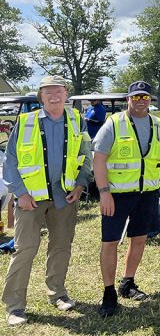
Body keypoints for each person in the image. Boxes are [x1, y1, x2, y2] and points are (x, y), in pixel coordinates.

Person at [2, 75, 92, 326]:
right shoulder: (25, 122)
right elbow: (10, 161)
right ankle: (15, 306)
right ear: (40, 96)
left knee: (61, 247)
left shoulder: (77, 120)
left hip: (65, 198)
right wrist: (20, 193)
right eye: (48, 92)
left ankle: (58, 293)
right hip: (29, 200)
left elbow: (86, 155)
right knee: (25, 250)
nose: (54, 96)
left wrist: (81, 184)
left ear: (66, 94)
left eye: (58, 91)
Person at [93, 81, 160, 317]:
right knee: (110, 242)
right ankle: (109, 292)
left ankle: (128, 283)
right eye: (136, 97)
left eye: (145, 97)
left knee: (139, 239)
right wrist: (104, 192)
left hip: (147, 194)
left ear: (150, 100)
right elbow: (98, 160)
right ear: (128, 99)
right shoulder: (114, 123)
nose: (141, 101)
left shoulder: (158, 124)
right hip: (117, 195)